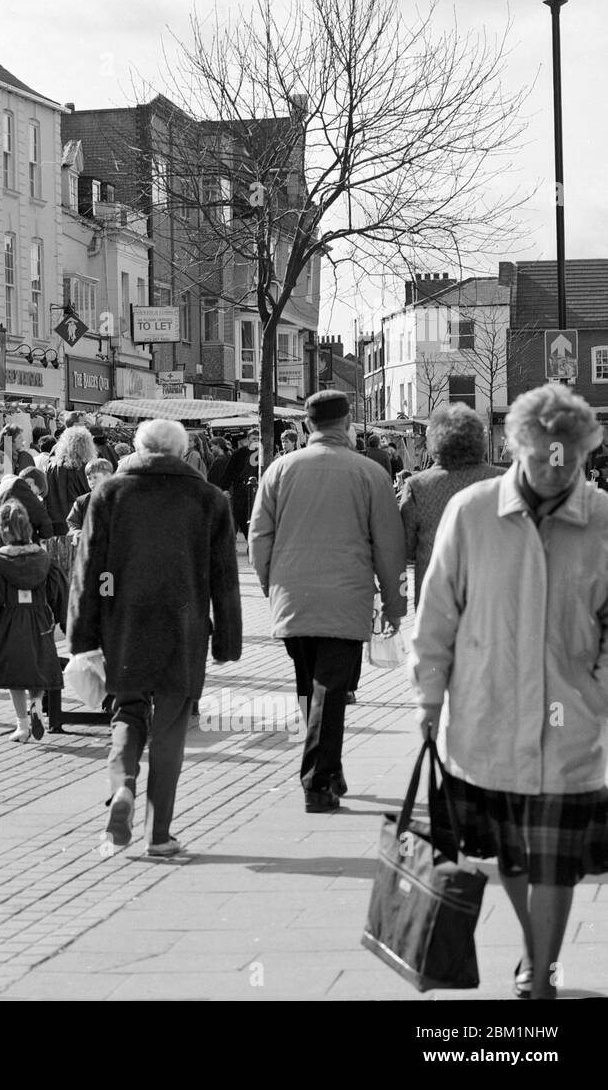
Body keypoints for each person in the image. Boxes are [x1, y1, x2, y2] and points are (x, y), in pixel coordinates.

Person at [410, 384, 608, 1001]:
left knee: (554, 857)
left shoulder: (603, 518)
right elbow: (437, 613)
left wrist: (598, 690)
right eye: (545, 455)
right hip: (486, 712)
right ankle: (532, 950)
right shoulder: (471, 512)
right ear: (515, 447)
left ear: (583, 454)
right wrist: (429, 698)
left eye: (569, 460)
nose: (557, 471)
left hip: (568, 718)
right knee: (511, 856)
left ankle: (542, 972)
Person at [70, 419, 242, 856]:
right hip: (183, 627)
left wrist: (81, 636)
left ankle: (123, 788)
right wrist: (227, 638)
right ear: (183, 453)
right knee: (169, 729)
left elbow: (87, 569)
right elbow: (224, 578)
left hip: (123, 622)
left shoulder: (110, 493)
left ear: (138, 449)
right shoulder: (208, 499)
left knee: (126, 713)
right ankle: (158, 834)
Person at [249, 390, 406, 812]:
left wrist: (270, 586)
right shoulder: (368, 473)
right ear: (347, 422)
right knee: (330, 689)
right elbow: (389, 546)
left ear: (307, 425)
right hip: (345, 597)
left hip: (292, 597)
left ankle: (329, 769)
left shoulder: (280, 469)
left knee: (312, 686)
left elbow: (258, 537)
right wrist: (394, 604)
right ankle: (318, 781)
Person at [0, 500, 66, 743]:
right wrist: (66, 621)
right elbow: (60, 593)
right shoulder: (44, 560)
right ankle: (36, 704)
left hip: (8, 624)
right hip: (39, 622)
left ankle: (22, 726)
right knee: (36, 670)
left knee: (14, 676)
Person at [400, 404, 503, 608]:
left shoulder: (418, 486)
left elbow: (406, 547)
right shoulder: (504, 481)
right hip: (492, 596)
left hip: (436, 597)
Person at [43, 426, 93, 579]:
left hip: (55, 525)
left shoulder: (51, 467)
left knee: (59, 575)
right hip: (77, 527)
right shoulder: (85, 468)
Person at [0, 465, 53, 543]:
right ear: (29, 482)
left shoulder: (2, 489)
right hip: (19, 545)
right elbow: (39, 514)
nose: (35, 497)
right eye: (35, 493)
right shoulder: (19, 484)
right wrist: (45, 534)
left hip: (2, 542)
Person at [219, 430, 259, 539]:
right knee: (240, 515)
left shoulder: (263, 454)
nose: (255, 441)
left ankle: (252, 541)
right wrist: (225, 488)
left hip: (257, 490)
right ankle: (248, 538)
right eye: (253, 439)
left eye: (257, 439)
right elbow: (229, 471)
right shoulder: (239, 453)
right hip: (241, 489)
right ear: (248, 439)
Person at [66, 458, 113, 537]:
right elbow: (72, 522)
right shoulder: (82, 501)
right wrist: (76, 532)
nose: (92, 482)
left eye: (95, 477)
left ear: (108, 476)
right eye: (89, 479)